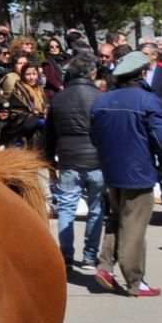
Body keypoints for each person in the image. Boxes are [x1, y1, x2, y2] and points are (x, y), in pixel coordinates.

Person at [89, 51, 162, 297]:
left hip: (111, 169)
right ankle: (135, 281)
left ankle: (105, 266)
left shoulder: (102, 101)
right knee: (134, 225)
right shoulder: (148, 101)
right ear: (143, 73)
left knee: (115, 219)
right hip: (139, 170)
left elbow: (94, 137)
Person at [45, 50, 107, 268]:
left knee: (66, 208)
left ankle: (66, 254)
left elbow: (49, 134)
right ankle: (90, 255)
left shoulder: (58, 99)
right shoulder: (100, 97)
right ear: (92, 73)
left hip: (68, 158)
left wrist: (49, 162)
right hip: (96, 159)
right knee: (96, 208)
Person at [0, 57, 46, 150]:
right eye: (28, 74)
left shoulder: (41, 91)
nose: (31, 77)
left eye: (34, 74)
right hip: (23, 139)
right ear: (23, 75)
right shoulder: (18, 92)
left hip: (40, 137)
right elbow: (17, 117)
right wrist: (39, 120)